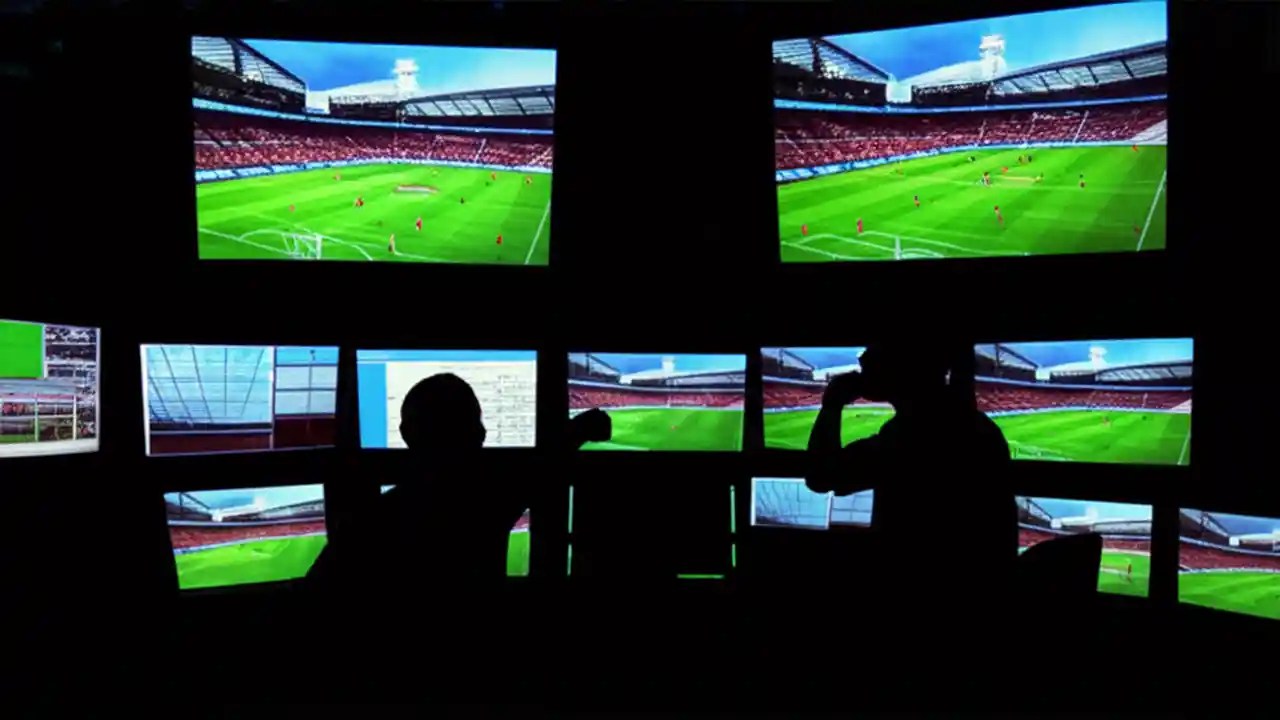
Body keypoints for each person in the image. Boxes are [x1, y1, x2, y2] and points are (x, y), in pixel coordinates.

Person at [306, 375, 610, 594]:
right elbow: (546, 460)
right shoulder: (490, 505)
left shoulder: (367, 525)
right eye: (475, 422)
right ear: (477, 435)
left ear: (407, 434)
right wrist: (583, 427)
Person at [806, 340, 1013, 600]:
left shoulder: (912, 434)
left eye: (878, 350)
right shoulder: (967, 423)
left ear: (906, 368)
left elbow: (821, 476)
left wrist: (832, 404)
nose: (864, 358)